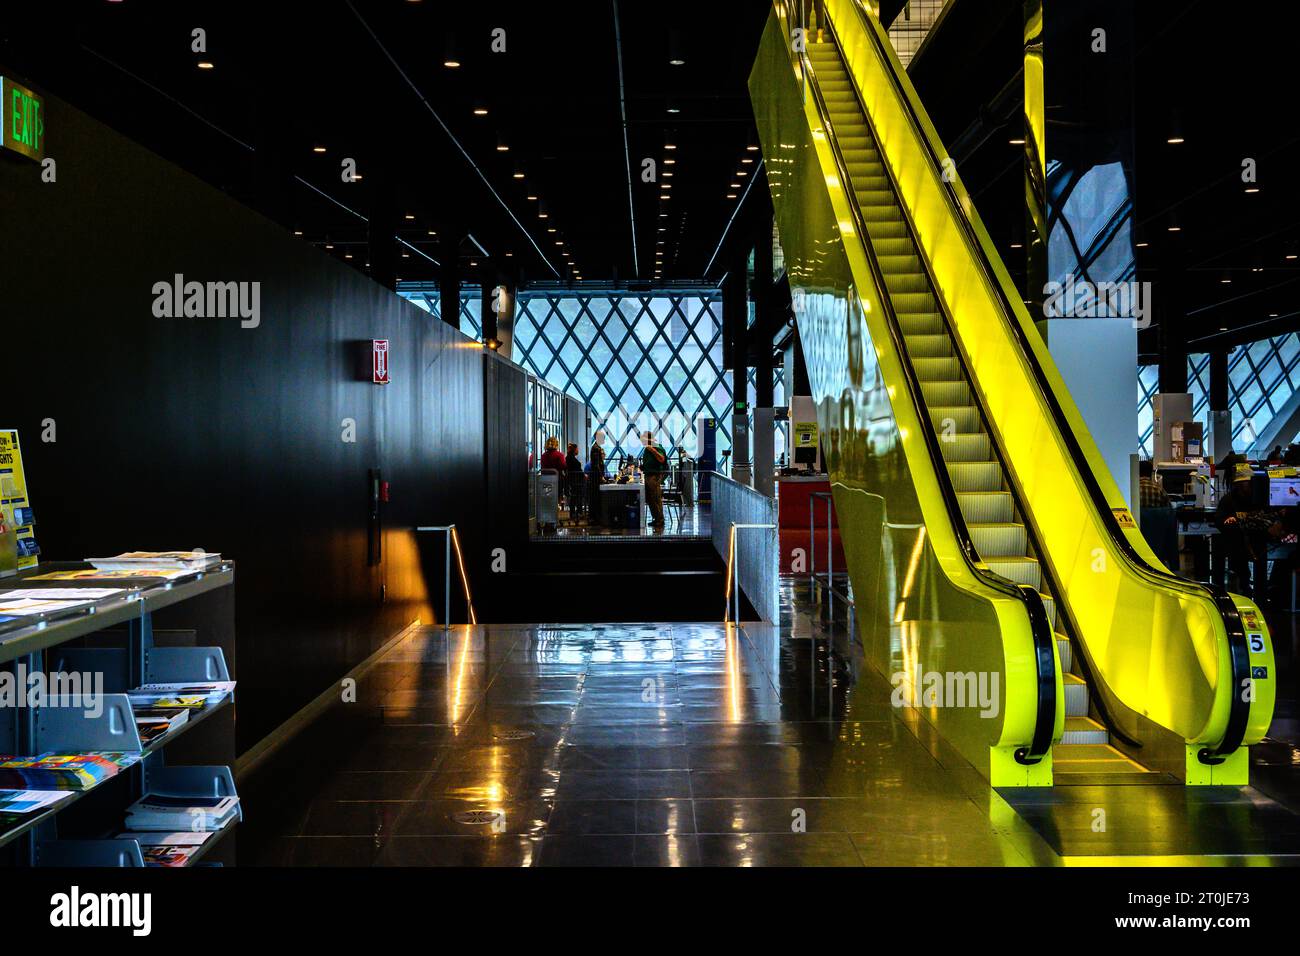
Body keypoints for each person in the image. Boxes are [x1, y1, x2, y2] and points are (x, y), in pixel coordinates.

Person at [1215, 462, 1275, 598]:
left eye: (1248, 483)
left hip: (1257, 541)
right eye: (1243, 483)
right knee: (1237, 550)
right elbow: (1220, 519)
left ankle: (1261, 590)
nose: (1246, 486)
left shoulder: (1259, 498)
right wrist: (1229, 521)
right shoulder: (1228, 500)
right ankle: (1245, 585)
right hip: (1237, 542)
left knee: (1260, 555)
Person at [640, 430, 668, 528]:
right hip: (649, 475)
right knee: (651, 498)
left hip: (654, 476)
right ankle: (656, 519)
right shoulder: (648, 448)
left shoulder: (655, 446)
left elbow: (661, 459)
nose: (642, 441)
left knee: (655, 498)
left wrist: (651, 449)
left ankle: (660, 520)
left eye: (643, 439)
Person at [589, 429, 607, 524]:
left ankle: (595, 518)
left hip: (595, 477)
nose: (604, 439)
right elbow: (596, 465)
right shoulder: (596, 448)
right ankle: (596, 518)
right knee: (596, 498)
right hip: (596, 478)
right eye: (603, 437)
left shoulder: (596, 447)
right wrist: (601, 477)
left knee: (595, 498)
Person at [565, 442, 585, 518]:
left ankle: (574, 512)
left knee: (574, 496)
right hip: (576, 481)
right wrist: (583, 474)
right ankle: (577, 512)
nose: (578, 450)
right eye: (577, 449)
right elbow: (577, 469)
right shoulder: (572, 459)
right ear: (574, 450)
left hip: (573, 480)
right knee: (577, 496)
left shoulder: (568, 458)